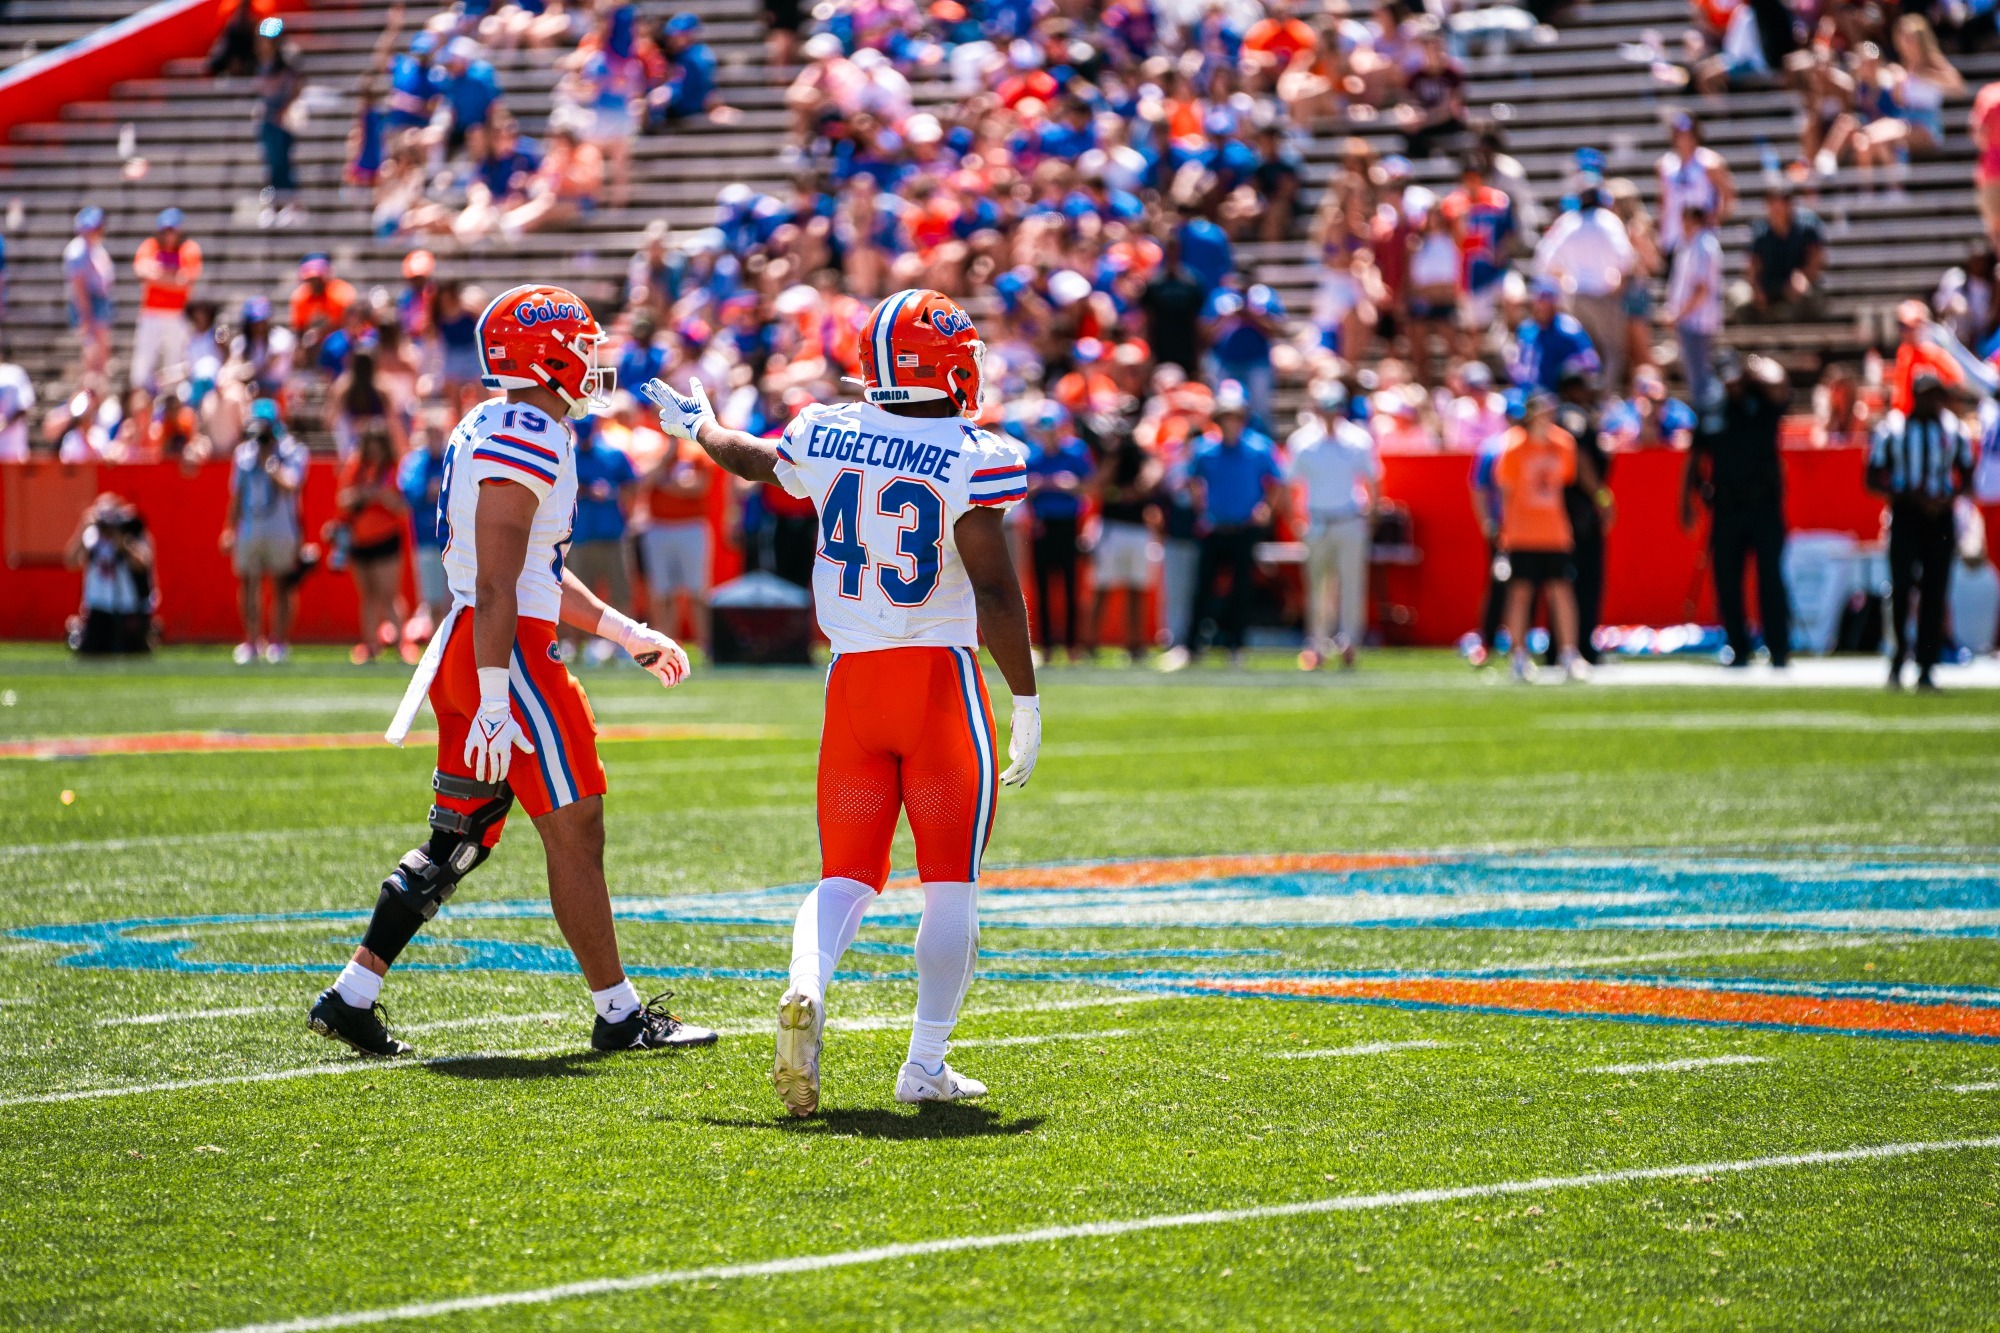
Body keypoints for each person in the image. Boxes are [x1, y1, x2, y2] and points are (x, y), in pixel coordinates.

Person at [643, 286, 1040, 1114]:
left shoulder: (831, 428)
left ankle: (806, 987)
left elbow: (751, 459)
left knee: (845, 875)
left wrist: (697, 427)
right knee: (950, 884)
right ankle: (924, 1062)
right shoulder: (974, 452)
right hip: (938, 683)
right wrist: (1028, 699)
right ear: (949, 367)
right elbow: (997, 592)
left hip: (852, 683)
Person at [310, 283, 715, 1059]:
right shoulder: (528, 431)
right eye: (582, 348)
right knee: (576, 826)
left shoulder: (506, 422)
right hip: (507, 653)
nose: (594, 362)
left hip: (475, 644)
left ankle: (352, 994)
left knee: (458, 839)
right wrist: (498, 695)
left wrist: (626, 631)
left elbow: (534, 572)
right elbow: (501, 584)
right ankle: (621, 1014)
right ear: (550, 357)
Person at [1682, 352, 1793, 669]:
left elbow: (1781, 383)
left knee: (1770, 579)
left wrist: (1756, 366)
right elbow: (1694, 458)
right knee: (1727, 581)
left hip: (1764, 505)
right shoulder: (1713, 409)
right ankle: (1738, 646)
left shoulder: (1762, 401)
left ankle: (1778, 648)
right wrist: (1688, 503)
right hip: (1727, 506)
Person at [1163, 380, 1283, 670]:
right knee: (1202, 589)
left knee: (1241, 592)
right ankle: (1192, 647)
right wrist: (1201, 507)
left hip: (1244, 529)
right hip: (1214, 529)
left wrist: (1265, 509)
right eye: (1226, 418)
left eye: (1234, 417)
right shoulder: (1205, 450)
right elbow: (1190, 480)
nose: (1230, 423)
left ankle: (1236, 646)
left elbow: (1277, 483)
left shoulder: (1259, 448)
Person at [1868, 370, 1975, 690]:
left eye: (1936, 393)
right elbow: (1872, 478)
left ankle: (1928, 665)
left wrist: (1948, 498)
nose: (1931, 400)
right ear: (1914, 394)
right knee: (1901, 588)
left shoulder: (1954, 430)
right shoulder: (1893, 428)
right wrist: (1908, 495)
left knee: (1935, 591)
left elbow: (1968, 475)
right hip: (1905, 515)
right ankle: (1899, 656)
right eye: (1926, 393)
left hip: (1940, 518)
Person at [1494, 390, 1596, 682]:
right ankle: (1518, 656)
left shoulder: (1563, 442)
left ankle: (1569, 654)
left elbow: (1566, 479)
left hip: (1554, 531)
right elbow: (1506, 492)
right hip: (1521, 533)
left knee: (1561, 591)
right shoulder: (1513, 446)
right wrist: (1505, 533)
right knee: (1520, 593)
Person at [1286, 380, 1379, 670]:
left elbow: (1373, 481)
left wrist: (1370, 519)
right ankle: (1317, 645)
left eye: (1334, 407)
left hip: (1349, 520)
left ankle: (1350, 643)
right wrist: (1295, 521)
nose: (1329, 413)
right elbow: (1291, 485)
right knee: (1317, 588)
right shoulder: (1302, 441)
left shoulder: (1358, 439)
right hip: (1318, 522)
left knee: (1351, 586)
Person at [1533, 184, 1636, 393]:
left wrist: (1564, 281)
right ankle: (1604, 400)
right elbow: (1627, 259)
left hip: (1576, 297)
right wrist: (1618, 284)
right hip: (1602, 295)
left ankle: (1584, 400)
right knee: (1612, 351)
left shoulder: (1569, 221)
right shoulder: (1607, 220)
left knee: (1584, 352)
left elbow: (1545, 260)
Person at [223, 416, 309, 665]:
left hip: (281, 526)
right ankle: (251, 640)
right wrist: (230, 527)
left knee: (282, 585)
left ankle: (279, 641)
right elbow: (237, 494)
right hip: (250, 525)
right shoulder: (243, 455)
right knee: (248, 583)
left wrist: (270, 465)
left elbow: (292, 484)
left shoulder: (292, 451)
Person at [1022, 402, 1095, 662]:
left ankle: (1074, 645)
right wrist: (1039, 486)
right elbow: (1021, 493)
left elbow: (1090, 487)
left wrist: (1070, 485)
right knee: (1041, 587)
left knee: (1070, 585)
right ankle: (1046, 646)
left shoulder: (1076, 452)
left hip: (1068, 524)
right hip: (1042, 524)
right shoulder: (1032, 455)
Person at [636, 427, 717, 654]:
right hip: (658, 527)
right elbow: (643, 480)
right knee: (662, 592)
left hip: (691, 526)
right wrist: (666, 460)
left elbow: (699, 488)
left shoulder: (695, 450)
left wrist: (665, 484)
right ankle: (665, 648)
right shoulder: (653, 448)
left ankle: (705, 647)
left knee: (697, 592)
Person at [566, 416, 638, 663]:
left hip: (611, 533)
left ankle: (623, 647)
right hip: (581, 535)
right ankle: (581, 648)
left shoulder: (613, 455)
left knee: (620, 592)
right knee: (579, 596)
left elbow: (631, 486)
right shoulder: (567, 456)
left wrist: (613, 495)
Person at [1555, 373, 1615, 664]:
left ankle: (1568, 645)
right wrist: (1600, 496)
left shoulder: (1572, 414)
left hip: (1568, 510)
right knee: (1583, 579)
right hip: (1576, 510)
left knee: (1567, 580)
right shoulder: (1570, 416)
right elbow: (1578, 457)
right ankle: (1579, 646)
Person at [336, 425, 409, 665]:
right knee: (367, 596)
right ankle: (370, 645)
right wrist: (363, 495)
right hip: (360, 538)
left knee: (389, 595)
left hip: (386, 536)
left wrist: (380, 496)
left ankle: (401, 645)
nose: (374, 451)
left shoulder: (393, 469)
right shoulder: (356, 467)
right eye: (371, 446)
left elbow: (402, 506)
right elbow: (343, 500)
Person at [1089, 429, 1162, 663]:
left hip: (1137, 529)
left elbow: (1146, 484)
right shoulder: (1111, 455)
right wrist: (1113, 456)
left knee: (1136, 588)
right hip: (1111, 528)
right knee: (1102, 587)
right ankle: (1090, 644)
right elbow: (1099, 485)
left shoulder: (1144, 457)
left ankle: (1135, 646)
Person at [64, 494, 154, 655]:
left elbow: (142, 564)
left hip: (129, 608)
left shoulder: (134, 533)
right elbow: (70, 561)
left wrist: (122, 543)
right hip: (99, 609)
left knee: (132, 654)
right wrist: (83, 527)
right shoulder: (92, 536)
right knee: (92, 654)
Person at [129, 208, 202, 394]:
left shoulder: (189, 248)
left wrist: (159, 276)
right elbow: (142, 272)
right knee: (144, 357)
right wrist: (173, 277)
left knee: (174, 358)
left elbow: (186, 281)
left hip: (177, 314)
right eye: (165, 231)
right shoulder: (150, 245)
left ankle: (172, 397)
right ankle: (138, 393)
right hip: (151, 313)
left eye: (172, 231)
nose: (169, 235)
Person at [1663, 202, 1725, 409]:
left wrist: (1679, 314)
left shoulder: (1702, 245)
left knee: (1700, 378)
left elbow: (1701, 289)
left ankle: (1709, 420)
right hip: (1693, 319)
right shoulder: (1691, 244)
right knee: (1697, 375)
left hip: (1697, 321)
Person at [1733, 186, 1826, 323]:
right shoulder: (1759, 228)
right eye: (1771, 205)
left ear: (1789, 206)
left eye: (1780, 205)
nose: (1776, 211)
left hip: (1796, 286)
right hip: (1767, 285)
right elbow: (1752, 264)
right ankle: (1751, 343)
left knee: (1810, 299)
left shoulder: (1807, 226)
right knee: (1738, 299)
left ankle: (1806, 342)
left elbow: (1817, 259)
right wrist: (1756, 288)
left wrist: (1804, 277)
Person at [399, 417, 452, 631]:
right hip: (427, 540)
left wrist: (436, 490)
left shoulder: (453, 457)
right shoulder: (416, 461)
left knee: (457, 600)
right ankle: (438, 649)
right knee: (433, 600)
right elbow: (411, 492)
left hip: (454, 538)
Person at [254, 19, 304, 227]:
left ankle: (289, 205)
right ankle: (274, 205)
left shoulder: (288, 61)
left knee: (283, 163)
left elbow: (296, 87)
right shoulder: (264, 63)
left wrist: (283, 109)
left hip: (282, 119)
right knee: (271, 164)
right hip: (268, 118)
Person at [64, 207, 114, 381]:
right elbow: (80, 287)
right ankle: (91, 384)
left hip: (99, 301)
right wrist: (86, 315)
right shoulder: (77, 251)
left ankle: (99, 382)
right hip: (89, 303)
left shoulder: (95, 247)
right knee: (91, 346)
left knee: (101, 346)